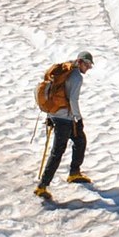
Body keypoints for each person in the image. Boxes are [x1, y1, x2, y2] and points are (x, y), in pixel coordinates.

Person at [35, 51, 93, 200]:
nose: (89, 68)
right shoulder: (76, 77)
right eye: (87, 64)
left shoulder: (65, 70)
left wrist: (50, 115)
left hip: (55, 114)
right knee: (58, 151)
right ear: (80, 62)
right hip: (65, 118)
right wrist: (78, 119)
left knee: (80, 141)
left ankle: (74, 172)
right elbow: (73, 100)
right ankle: (42, 186)